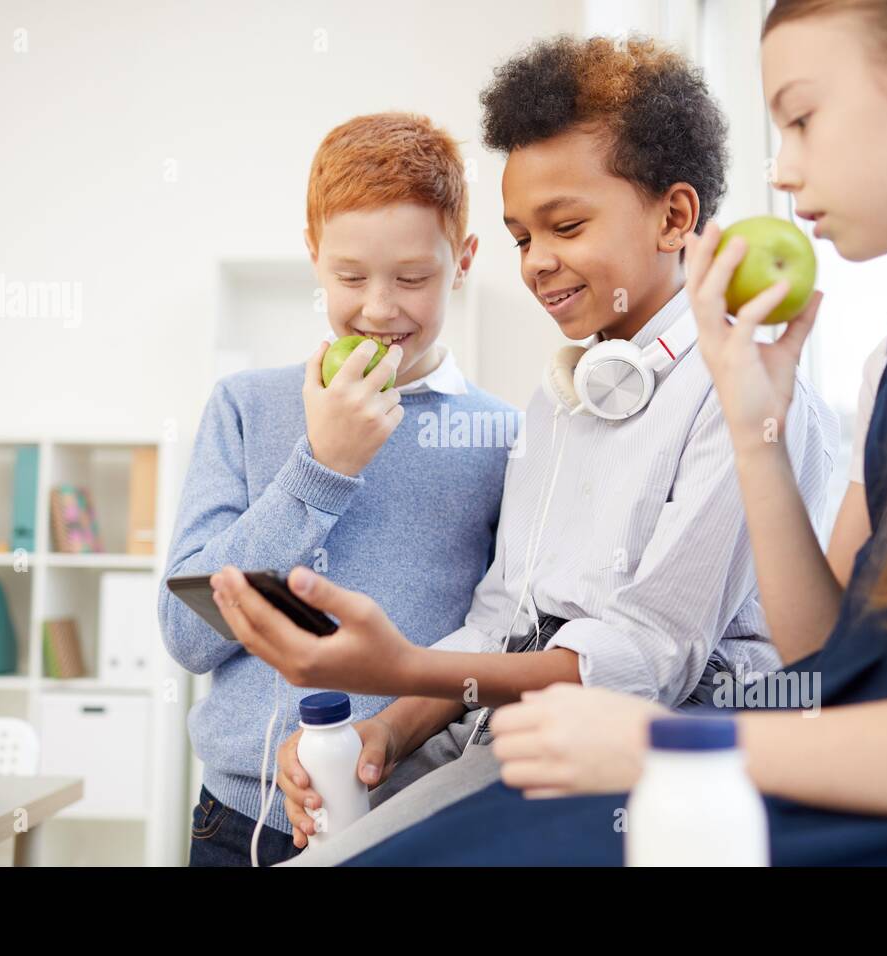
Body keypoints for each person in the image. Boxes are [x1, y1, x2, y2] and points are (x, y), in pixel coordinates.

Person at [328, 0, 887, 866]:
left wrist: (663, 746)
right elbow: (828, 657)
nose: (783, 172)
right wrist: (756, 430)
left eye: (804, 118)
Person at [208, 34, 837, 865]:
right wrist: (387, 730)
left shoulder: (748, 397)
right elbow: (502, 622)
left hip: (650, 791)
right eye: (519, 237)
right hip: (514, 759)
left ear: (674, 216)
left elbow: (646, 655)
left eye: (565, 226)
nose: (537, 263)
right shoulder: (564, 396)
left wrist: (403, 667)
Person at [158, 112, 518, 866]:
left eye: (413, 278)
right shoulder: (245, 407)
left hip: (418, 820)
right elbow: (187, 636)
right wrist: (324, 465)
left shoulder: (504, 436)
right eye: (350, 277)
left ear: (464, 261)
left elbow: (499, 646)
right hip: (239, 824)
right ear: (314, 256)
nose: (380, 307)